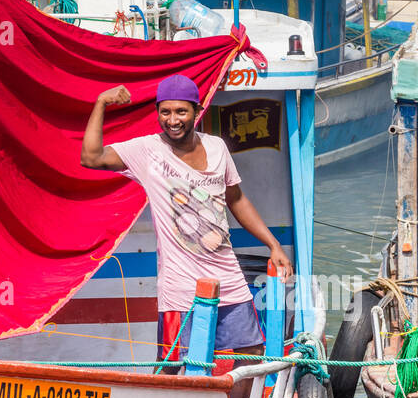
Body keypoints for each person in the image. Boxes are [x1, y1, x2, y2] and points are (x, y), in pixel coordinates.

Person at [79, 74, 292, 375]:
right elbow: (91, 157)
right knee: (171, 365)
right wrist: (101, 102)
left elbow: (237, 199)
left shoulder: (217, 148)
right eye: (165, 112)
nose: (172, 120)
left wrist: (274, 245)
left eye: (181, 111)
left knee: (252, 352)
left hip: (227, 277)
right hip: (180, 286)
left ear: (196, 110)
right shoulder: (147, 150)